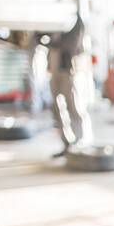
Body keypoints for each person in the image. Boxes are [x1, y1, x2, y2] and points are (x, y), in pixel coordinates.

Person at [47, 14, 92, 157]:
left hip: (69, 69)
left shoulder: (75, 19)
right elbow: (40, 37)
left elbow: (71, 43)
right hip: (55, 68)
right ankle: (67, 143)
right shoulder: (50, 18)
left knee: (74, 106)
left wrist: (54, 41)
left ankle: (81, 143)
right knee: (57, 107)